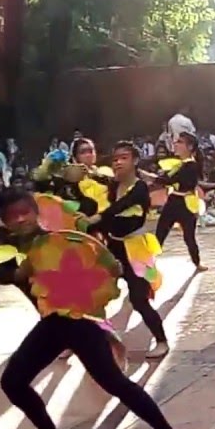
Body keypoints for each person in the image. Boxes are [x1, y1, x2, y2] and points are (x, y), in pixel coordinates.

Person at [0, 188, 185, 429]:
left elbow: (101, 260)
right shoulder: (10, 250)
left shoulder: (61, 240)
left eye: (25, 212)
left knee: (114, 383)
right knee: (12, 381)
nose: (21, 219)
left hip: (83, 323)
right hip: (51, 326)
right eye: (13, 216)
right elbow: (1, 275)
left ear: (36, 213)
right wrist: (19, 271)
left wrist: (112, 267)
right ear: (5, 221)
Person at [90, 141, 171, 359]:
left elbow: (120, 207)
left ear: (135, 161)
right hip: (114, 247)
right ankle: (90, 341)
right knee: (94, 296)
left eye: (123, 157)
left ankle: (162, 340)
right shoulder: (112, 186)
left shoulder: (139, 188)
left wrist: (98, 218)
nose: (118, 162)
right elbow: (90, 180)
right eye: (115, 159)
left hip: (135, 249)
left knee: (139, 300)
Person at [148, 132, 205, 274]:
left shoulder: (190, 165)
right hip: (174, 201)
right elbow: (166, 178)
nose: (176, 144)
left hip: (185, 203)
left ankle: (197, 263)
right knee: (160, 233)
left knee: (189, 237)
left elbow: (167, 180)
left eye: (180, 142)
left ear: (190, 147)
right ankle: (148, 263)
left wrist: (148, 176)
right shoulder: (179, 164)